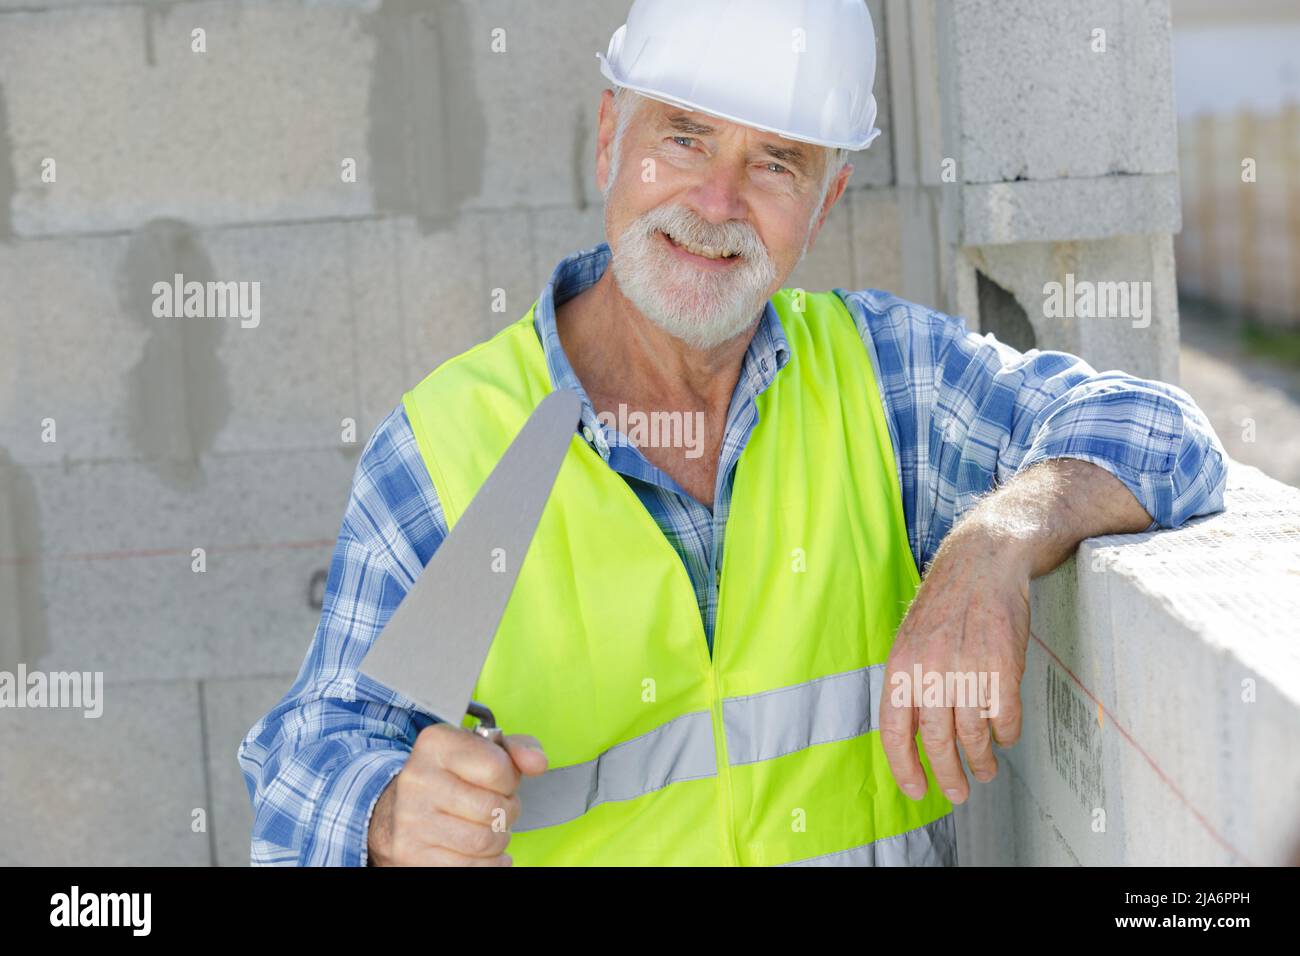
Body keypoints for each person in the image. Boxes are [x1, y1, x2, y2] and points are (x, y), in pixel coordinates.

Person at [238, 0, 1227, 866]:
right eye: (684, 136)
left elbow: (1167, 437)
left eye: (775, 163)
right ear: (607, 140)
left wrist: (995, 540)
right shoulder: (454, 452)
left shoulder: (883, 386)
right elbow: (307, 759)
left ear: (827, 198)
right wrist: (385, 811)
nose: (715, 205)